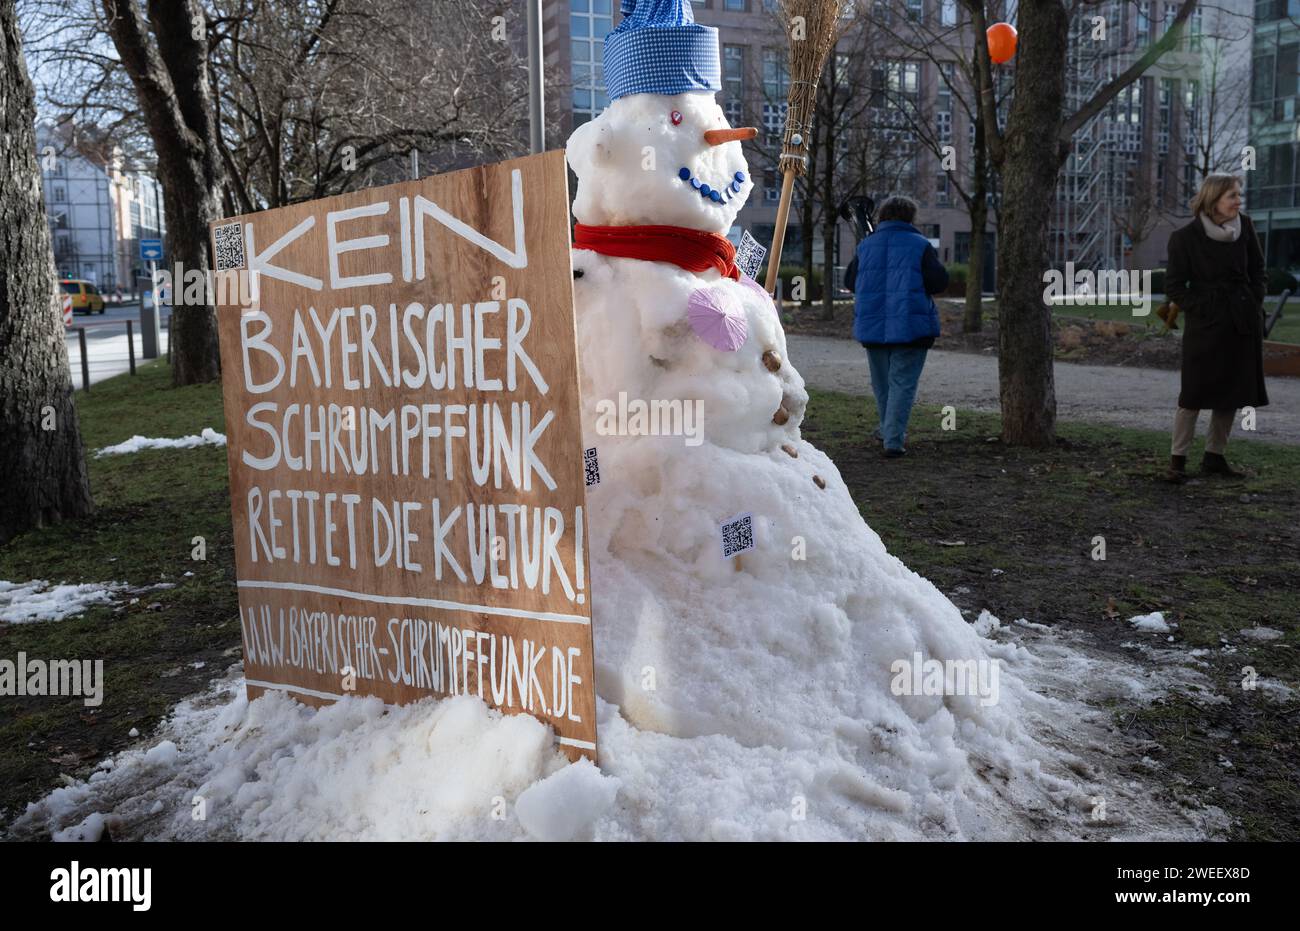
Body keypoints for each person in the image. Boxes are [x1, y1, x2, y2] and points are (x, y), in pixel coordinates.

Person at [1161, 173, 1268, 483]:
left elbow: (1258, 271)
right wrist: (1205, 308)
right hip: (1206, 326)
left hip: (1241, 321)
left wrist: (1252, 301)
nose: (1238, 201)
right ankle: (1177, 461)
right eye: (1232, 195)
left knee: (1232, 391)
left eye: (1238, 195)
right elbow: (1175, 286)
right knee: (1193, 392)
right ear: (1213, 199)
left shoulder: (1245, 227)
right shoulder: (1185, 238)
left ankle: (1214, 457)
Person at [845, 195, 948, 458]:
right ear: (911, 217)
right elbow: (938, 282)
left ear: (882, 217)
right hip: (911, 327)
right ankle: (893, 440)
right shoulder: (920, 245)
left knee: (882, 385)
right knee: (902, 384)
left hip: (873, 327)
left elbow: (851, 281)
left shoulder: (866, 246)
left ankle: (888, 430)